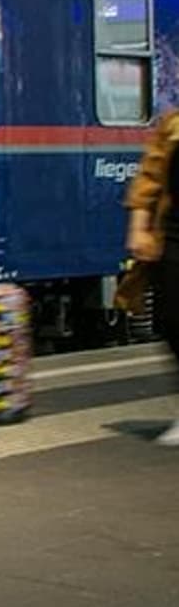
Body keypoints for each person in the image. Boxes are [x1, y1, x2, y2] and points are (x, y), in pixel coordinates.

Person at [118, 107, 179, 446]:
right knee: (172, 320)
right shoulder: (173, 125)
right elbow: (149, 179)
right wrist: (138, 228)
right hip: (172, 235)